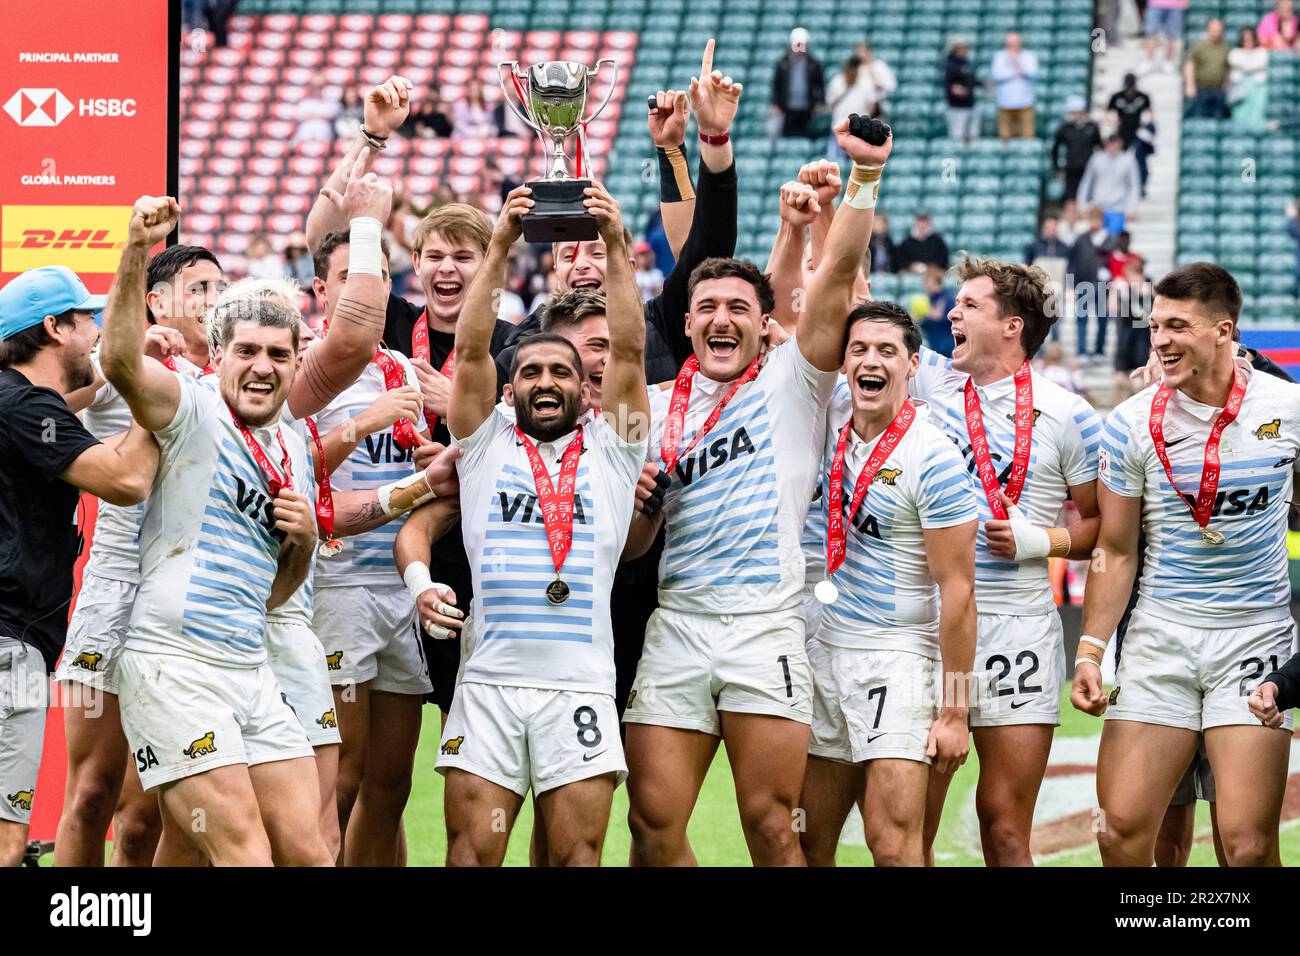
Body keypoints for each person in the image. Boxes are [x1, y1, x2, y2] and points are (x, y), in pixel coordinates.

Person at [620, 115, 893, 867]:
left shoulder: (791, 383)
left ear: (763, 322)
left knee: (774, 827)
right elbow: (635, 544)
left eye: (739, 307)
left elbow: (835, 278)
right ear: (686, 321)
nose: (722, 318)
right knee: (651, 825)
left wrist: (863, 177)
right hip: (677, 624)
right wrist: (639, 510)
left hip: (763, 628)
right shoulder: (647, 403)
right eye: (707, 307)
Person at [99, 196, 329, 867]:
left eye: (279, 355)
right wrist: (136, 252)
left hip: (250, 668)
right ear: (220, 355)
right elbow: (117, 360)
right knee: (244, 855)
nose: (263, 367)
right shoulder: (192, 406)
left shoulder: (291, 450)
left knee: (307, 855)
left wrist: (305, 544)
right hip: (174, 665)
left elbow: (277, 596)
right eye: (249, 351)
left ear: (294, 364)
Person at [427, 180, 648, 867]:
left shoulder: (616, 449)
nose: (545, 381)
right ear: (510, 385)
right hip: (488, 684)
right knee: (471, 856)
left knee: (576, 859)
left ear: (586, 384)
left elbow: (633, 353)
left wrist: (615, 246)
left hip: (581, 687)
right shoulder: (485, 442)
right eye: (530, 371)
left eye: (562, 369)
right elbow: (467, 354)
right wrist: (497, 248)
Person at [1080, 264, 1298, 866]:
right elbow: (1117, 550)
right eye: (1155, 326)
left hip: (1255, 632)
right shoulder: (1130, 421)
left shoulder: (1288, 408)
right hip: (1160, 635)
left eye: (1177, 326)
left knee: (1248, 846)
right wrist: (1091, 650)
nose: (1160, 340)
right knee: (1120, 831)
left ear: (1224, 331)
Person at [915, 257, 1103, 867]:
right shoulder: (924, 382)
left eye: (969, 305)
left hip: (1019, 630)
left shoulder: (1070, 414)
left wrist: (1042, 542)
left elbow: (1108, 531)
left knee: (1004, 831)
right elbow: (848, 308)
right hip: (931, 626)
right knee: (910, 829)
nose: (952, 313)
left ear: (1012, 326)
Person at [53, 246, 224, 869]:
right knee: (94, 794)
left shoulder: (234, 379)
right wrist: (112, 370)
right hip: (115, 589)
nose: (211, 300)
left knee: (150, 808)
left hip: (194, 600)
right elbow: (37, 410)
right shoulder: (117, 366)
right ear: (155, 303)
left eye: (218, 288)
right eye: (197, 288)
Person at [799, 301, 978, 868]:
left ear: (911, 364)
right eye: (858, 350)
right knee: (807, 840)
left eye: (885, 351)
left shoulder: (934, 456)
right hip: (822, 652)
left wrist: (954, 712)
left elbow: (959, 591)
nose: (869, 361)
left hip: (898, 660)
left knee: (893, 844)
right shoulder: (824, 426)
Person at [0, 266, 160, 868]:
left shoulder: (15, 401)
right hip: (9, 640)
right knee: (7, 840)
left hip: (15, 637)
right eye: (86, 319)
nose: (97, 330)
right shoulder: (23, 407)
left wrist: (132, 354)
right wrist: (160, 401)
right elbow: (125, 480)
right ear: (52, 327)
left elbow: (72, 402)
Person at [1068, 207, 1115, 358]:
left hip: (1103, 286)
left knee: (1102, 320)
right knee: (1081, 319)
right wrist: (1071, 285)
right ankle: (1081, 350)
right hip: (1083, 284)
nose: (1095, 222)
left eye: (1097, 219)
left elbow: (1116, 264)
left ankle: (1099, 350)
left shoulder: (1111, 240)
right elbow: (1073, 264)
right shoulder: (1081, 239)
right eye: (1092, 218)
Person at [1077, 134, 1141, 237]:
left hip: (1118, 207)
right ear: (1107, 144)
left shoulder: (1128, 160)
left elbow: (1134, 185)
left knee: (1113, 238)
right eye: (1112, 145)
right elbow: (1087, 182)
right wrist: (1082, 204)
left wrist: (1132, 208)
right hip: (1098, 206)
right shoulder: (1097, 159)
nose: (1114, 148)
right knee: (1097, 239)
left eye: (1117, 145)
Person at [1051, 97, 1103, 220]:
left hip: (1089, 169)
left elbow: (1100, 147)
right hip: (1071, 168)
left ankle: (1087, 221)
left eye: (1078, 112)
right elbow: (1055, 149)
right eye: (1073, 112)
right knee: (1071, 198)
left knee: (1090, 197)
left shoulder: (1092, 127)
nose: (1076, 115)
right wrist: (1058, 168)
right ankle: (1071, 222)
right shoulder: (1065, 128)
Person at [771, 27, 825, 139]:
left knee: (806, 135)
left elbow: (820, 85)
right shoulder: (782, 64)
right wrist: (775, 103)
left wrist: (820, 101)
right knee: (787, 135)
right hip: (787, 107)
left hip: (807, 108)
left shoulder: (814, 64)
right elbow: (776, 85)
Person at [991, 33, 1039, 141]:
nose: (1012, 47)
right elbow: (997, 75)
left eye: (1014, 44)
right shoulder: (999, 56)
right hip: (1004, 102)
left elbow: (1032, 73)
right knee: (1004, 136)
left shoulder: (1029, 55)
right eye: (1009, 44)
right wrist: (1013, 74)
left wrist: (1017, 63)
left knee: (1027, 135)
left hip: (1026, 101)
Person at [1184, 19, 1231, 119]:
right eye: (1214, 30)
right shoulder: (1198, 47)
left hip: (1219, 90)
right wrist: (1190, 85)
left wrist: (1227, 84)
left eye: (1219, 30)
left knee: (1218, 118)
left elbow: (1228, 67)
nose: (1216, 33)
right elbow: (1190, 65)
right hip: (1201, 89)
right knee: (1199, 118)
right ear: (1208, 30)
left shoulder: (1225, 48)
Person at [1228, 27, 1269, 127]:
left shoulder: (1262, 52)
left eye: (1250, 38)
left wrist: (1243, 66)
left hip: (1257, 87)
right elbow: (1234, 60)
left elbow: (1256, 64)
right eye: (1245, 39)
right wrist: (1250, 66)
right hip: (1239, 87)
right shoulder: (1234, 52)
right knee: (1239, 115)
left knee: (1256, 115)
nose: (1248, 41)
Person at [944, 36, 978, 143]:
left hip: (969, 104)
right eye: (962, 48)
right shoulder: (950, 64)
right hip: (957, 106)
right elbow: (949, 85)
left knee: (973, 137)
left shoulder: (966, 62)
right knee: (957, 137)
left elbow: (971, 80)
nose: (965, 50)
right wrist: (955, 90)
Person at [1107, 74, 1153, 151]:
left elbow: (1150, 115)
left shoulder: (1143, 97)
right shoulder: (1116, 96)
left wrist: (1145, 124)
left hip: (1138, 130)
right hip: (1121, 130)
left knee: (1138, 153)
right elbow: (1108, 114)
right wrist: (1114, 123)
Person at [1141, 0, 1187, 74]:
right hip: (1155, 4)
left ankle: (1168, 61)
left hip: (1176, 5)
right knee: (1151, 33)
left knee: (1172, 35)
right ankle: (1148, 61)